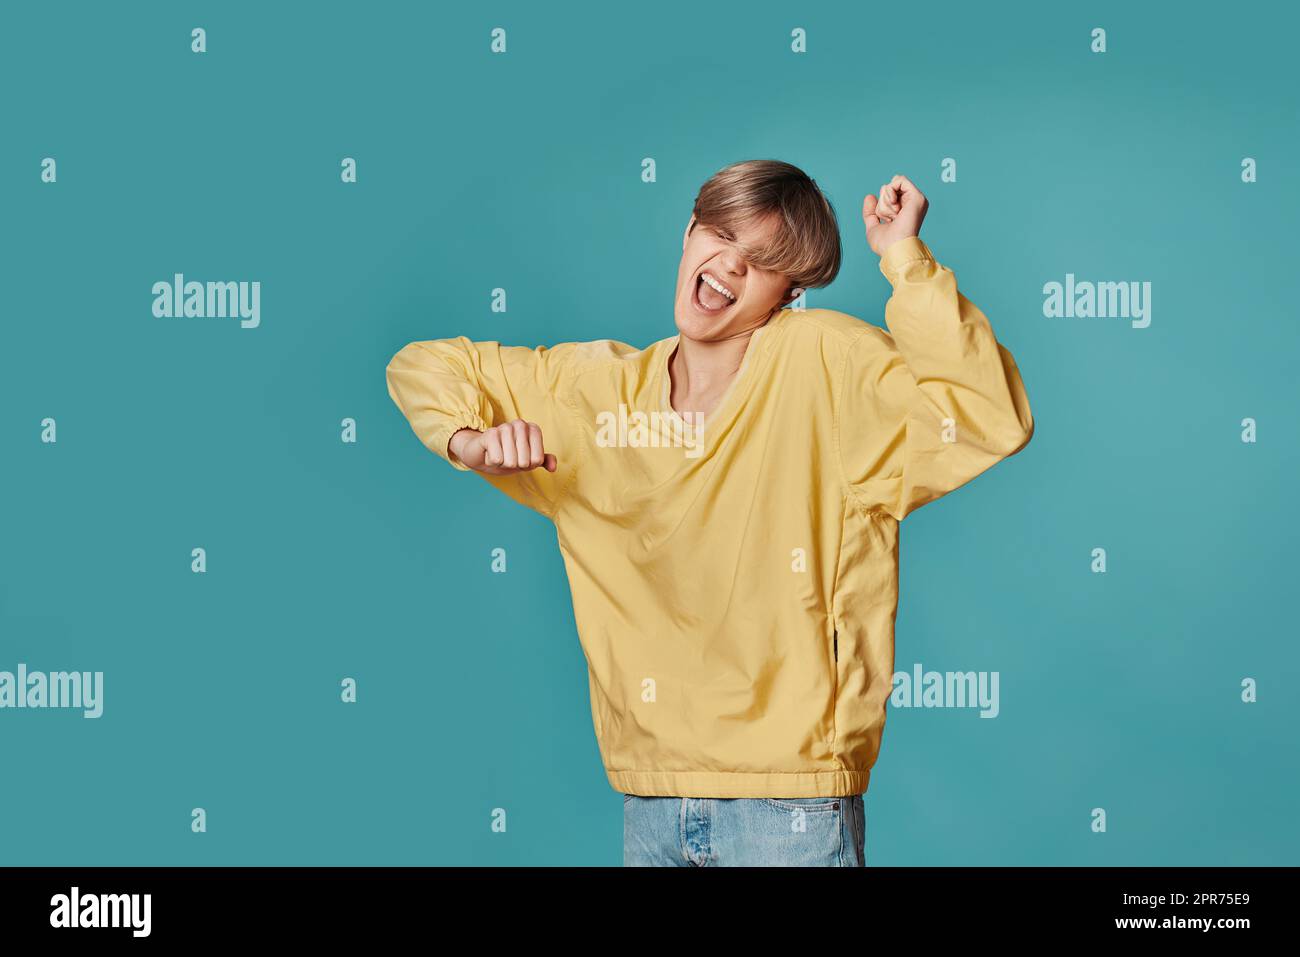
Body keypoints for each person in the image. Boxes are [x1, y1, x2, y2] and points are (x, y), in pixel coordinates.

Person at [386, 160, 1034, 866]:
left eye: (763, 261)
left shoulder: (822, 365)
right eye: (721, 234)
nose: (730, 264)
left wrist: (905, 259)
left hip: (792, 807)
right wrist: (468, 437)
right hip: (652, 801)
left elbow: (988, 416)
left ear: (790, 292)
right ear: (689, 231)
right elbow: (422, 365)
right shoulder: (597, 391)